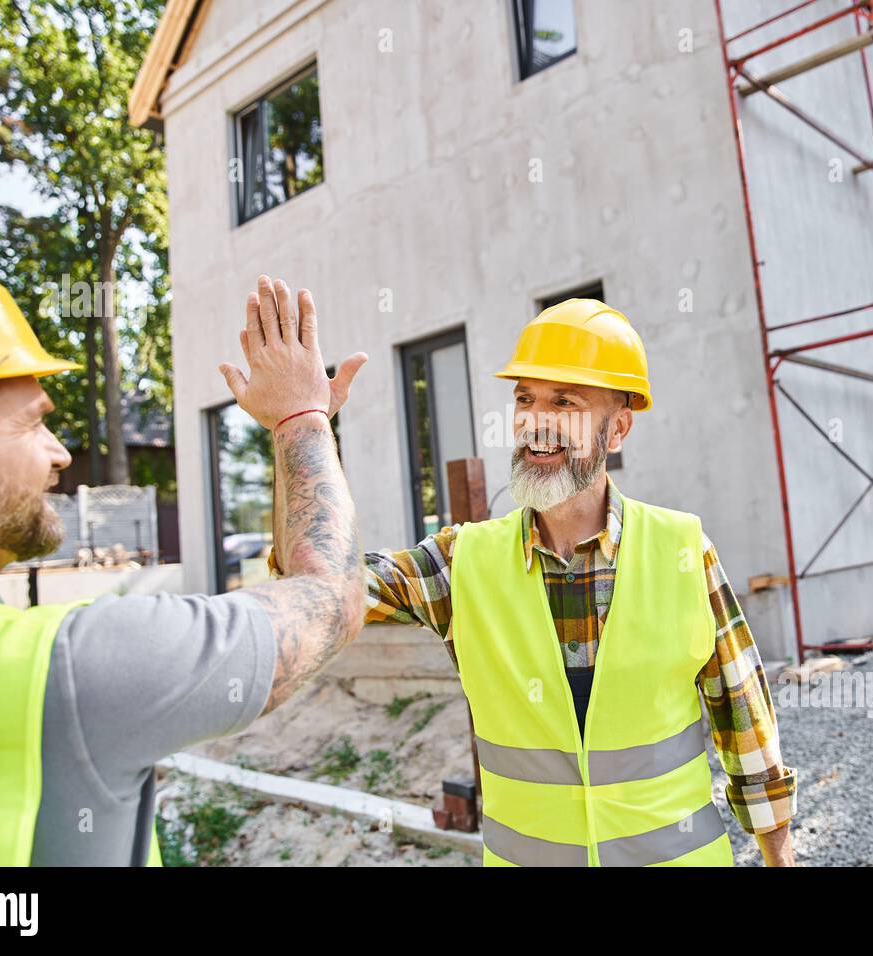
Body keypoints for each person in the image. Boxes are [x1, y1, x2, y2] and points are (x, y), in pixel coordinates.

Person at [271, 296, 797, 866]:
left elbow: (744, 721)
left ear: (617, 429)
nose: (535, 420)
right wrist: (300, 428)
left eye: (564, 401)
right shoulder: (462, 562)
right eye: (525, 399)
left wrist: (779, 854)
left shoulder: (682, 550)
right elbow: (321, 584)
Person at [0, 244, 366, 865]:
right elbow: (333, 598)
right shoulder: (64, 668)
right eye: (32, 424)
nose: (59, 454)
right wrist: (301, 416)